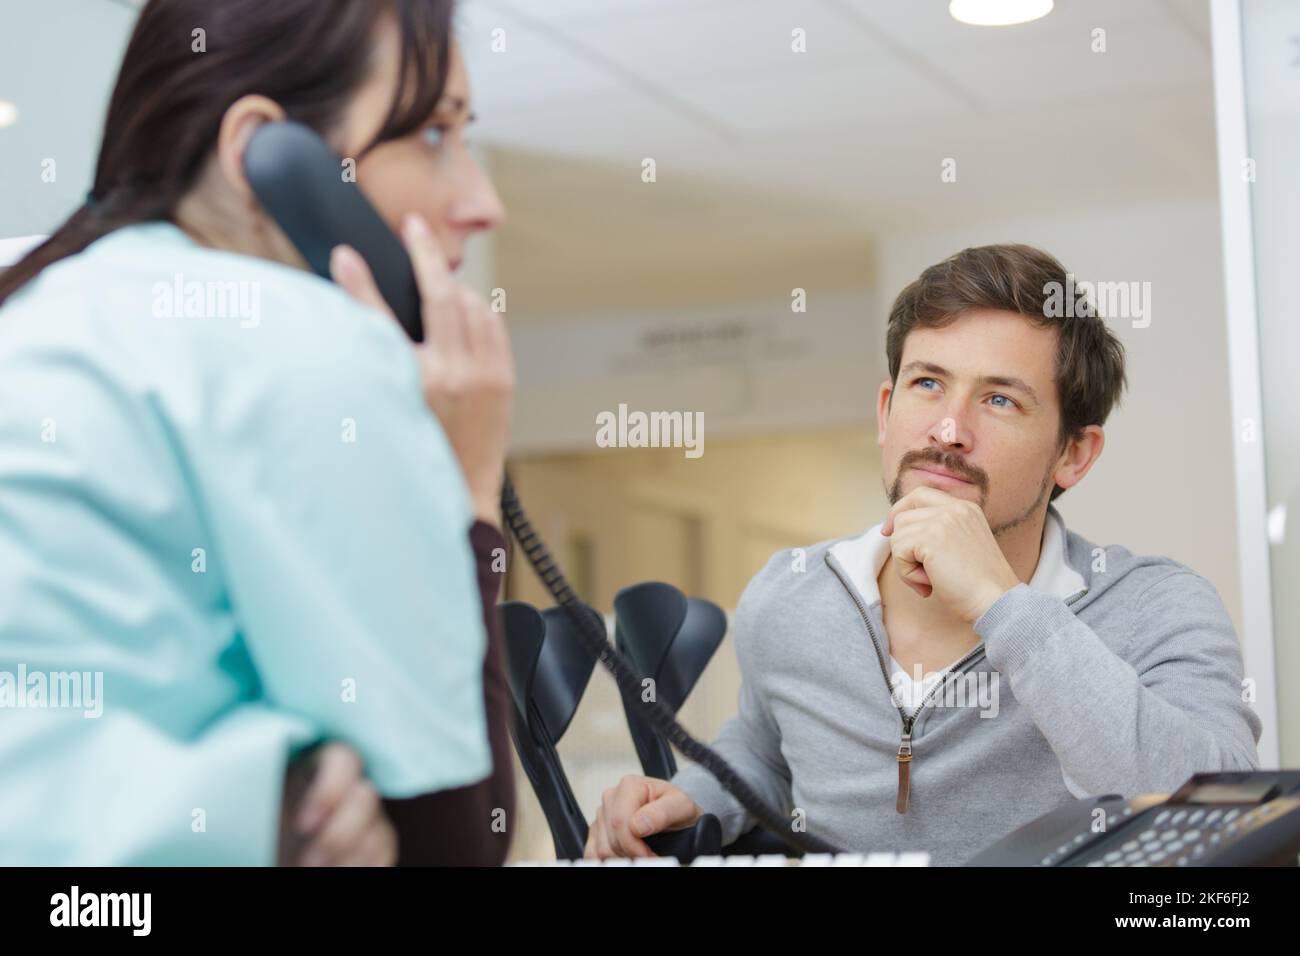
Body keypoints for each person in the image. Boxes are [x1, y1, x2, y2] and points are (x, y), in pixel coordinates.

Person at [0, 0, 515, 865]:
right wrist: (468, 480)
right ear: (265, 158)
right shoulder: (300, 338)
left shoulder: (49, 314)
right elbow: (458, 838)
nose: (481, 201)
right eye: (432, 134)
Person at [585, 244, 1263, 866]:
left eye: (999, 399)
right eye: (928, 384)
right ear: (886, 411)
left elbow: (1211, 809)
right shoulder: (790, 594)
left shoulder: (1156, 605)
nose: (948, 429)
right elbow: (765, 748)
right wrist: (699, 795)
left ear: (1073, 454)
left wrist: (1004, 605)